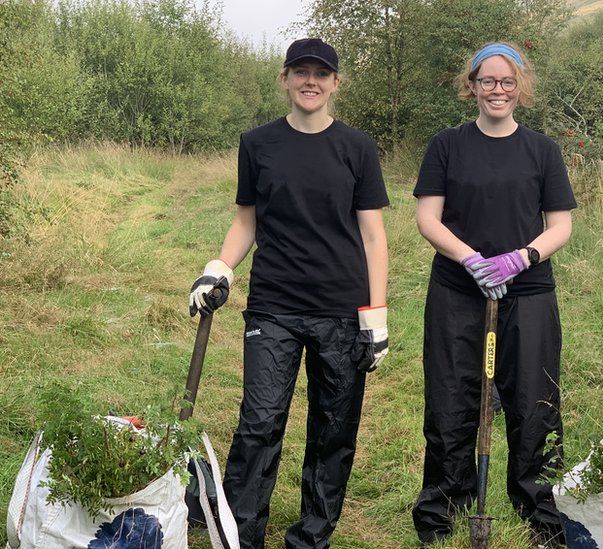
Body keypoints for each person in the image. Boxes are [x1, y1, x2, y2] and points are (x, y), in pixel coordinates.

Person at [187, 38, 390, 549]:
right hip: (273, 306)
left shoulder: (357, 147)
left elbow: (373, 237)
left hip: (341, 311)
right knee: (259, 422)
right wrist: (218, 268)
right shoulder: (258, 144)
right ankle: (241, 534)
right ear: (284, 78)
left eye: (321, 73)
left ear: (336, 83)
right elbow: (246, 222)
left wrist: (376, 316)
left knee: (333, 429)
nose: (310, 81)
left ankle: (311, 537)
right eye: (301, 71)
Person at [412, 42, 576, 547]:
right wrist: (470, 259)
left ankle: (539, 511)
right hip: (457, 293)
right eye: (487, 80)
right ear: (473, 86)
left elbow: (561, 225)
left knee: (534, 402)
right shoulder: (447, 145)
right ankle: (445, 505)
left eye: (507, 81)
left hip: (529, 293)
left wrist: (523, 257)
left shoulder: (543, 150)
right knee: (451, 398)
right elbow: (427, 218)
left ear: (520, 88)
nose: (497, 89)